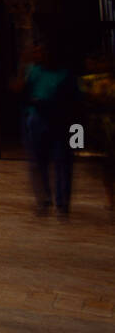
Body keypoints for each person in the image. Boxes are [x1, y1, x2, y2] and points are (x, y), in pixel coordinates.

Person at [18, 41, 79, 219]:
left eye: (42, 52)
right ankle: (44, 201)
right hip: (37, 120)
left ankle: (62, 204)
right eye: (37, 53)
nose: (39, 56)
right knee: (38, 163)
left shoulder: (65, 74)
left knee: (62, 162)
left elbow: (75, 100)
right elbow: (22, 92)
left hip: (59, 121)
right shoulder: (34, 71)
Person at [78, 53, 115, 218]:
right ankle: (111, 199)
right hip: (104, 127)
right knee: (107, 165)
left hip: (108, 124)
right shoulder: (88, 80)